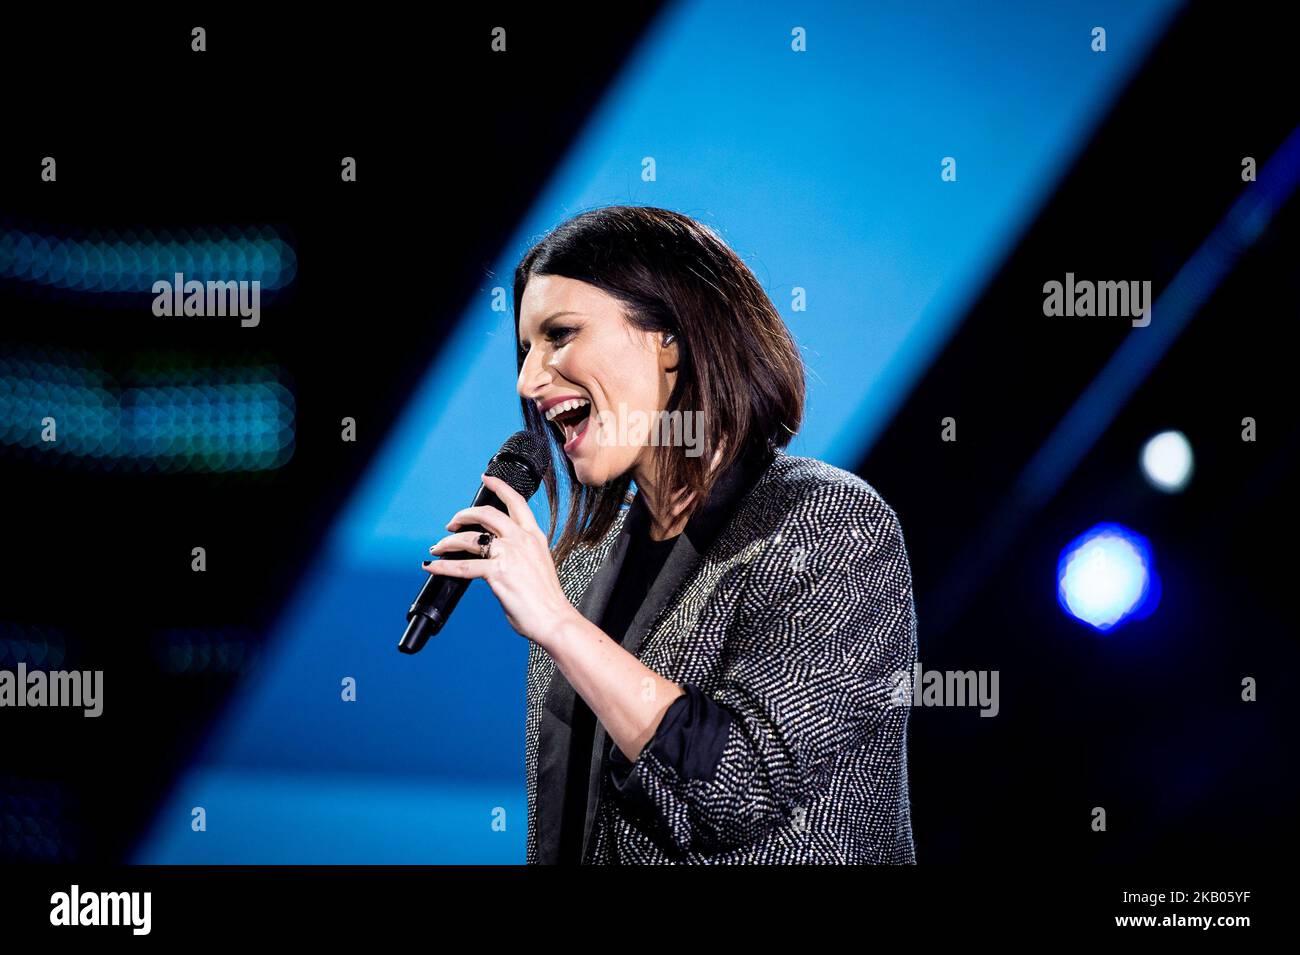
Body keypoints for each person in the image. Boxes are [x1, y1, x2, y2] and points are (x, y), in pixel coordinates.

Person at [423, 205, 918, 863]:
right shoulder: (582, 569)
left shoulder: (829, 525)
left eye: (560, 334)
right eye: (523, 350)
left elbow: (742, 789)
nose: (528, 380)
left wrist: (561, 626)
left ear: (671, 340)